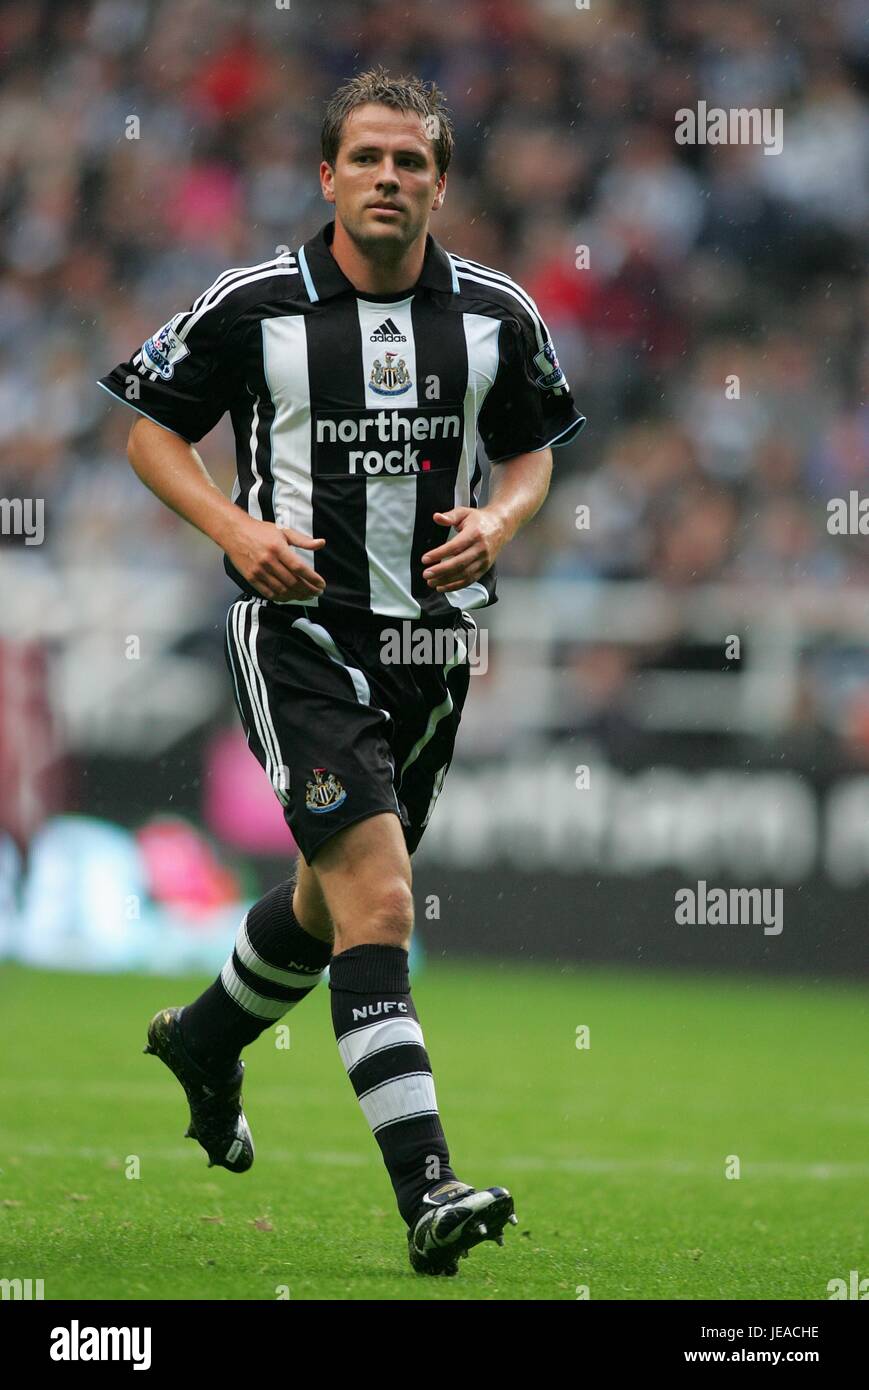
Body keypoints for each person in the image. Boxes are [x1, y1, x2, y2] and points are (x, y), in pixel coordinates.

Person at [97, 66, 585, 1276]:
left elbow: (529, 456)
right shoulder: (252, 303)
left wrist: (504, 522)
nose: (386, 177)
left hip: (431, 648)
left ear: (439, 183)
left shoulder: (494, 315)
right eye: (365, 158)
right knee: (377, 901)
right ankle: (428, 1190)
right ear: (326, 176)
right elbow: (150, 431)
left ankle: (208, 1039)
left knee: (326, 908)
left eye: (410, 161)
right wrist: (234, 530)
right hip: (301, 636)